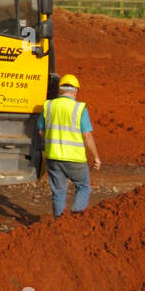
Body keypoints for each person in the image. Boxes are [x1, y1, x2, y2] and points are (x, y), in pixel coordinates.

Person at [38, 74, 101, 217]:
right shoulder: (79, 109)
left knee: (58, 192)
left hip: (53, 158)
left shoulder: (48, 106)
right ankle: (75, 218)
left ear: (60, 90)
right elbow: (87, 136)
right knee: (83, 187)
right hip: (75, 159)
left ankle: (60, 223)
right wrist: (96, 157)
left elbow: (41, 132)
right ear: (76, 91)